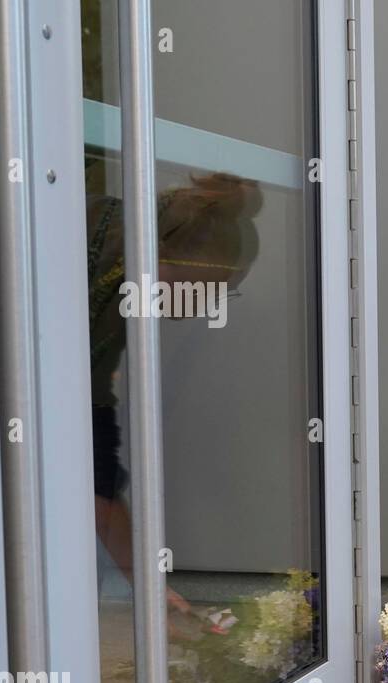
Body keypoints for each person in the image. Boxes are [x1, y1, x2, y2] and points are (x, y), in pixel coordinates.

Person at [86, 171, 263, 638]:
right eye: (208, 288)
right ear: (167, 258)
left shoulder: (119, 287)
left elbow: (95, 459)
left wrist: (152, 591)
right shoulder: (79, 245)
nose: (205, 307)